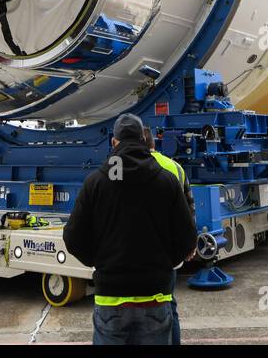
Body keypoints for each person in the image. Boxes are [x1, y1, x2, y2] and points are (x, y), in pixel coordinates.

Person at [63, 114, 197, 345]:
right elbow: (187, 239)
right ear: (144, 141)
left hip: (110, 298)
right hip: (156, 296)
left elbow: (73, 238)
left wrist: (99, 262)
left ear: (114, 142)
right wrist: (166, 262)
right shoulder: (167, 181)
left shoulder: (95, 182)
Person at [144, 126, 194, 345]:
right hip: (169, 250)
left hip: (139, 250)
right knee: (168, 304)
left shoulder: (127, 168)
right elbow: (189, 208)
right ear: (155, 143)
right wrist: (189, 245)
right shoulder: (175, 167)